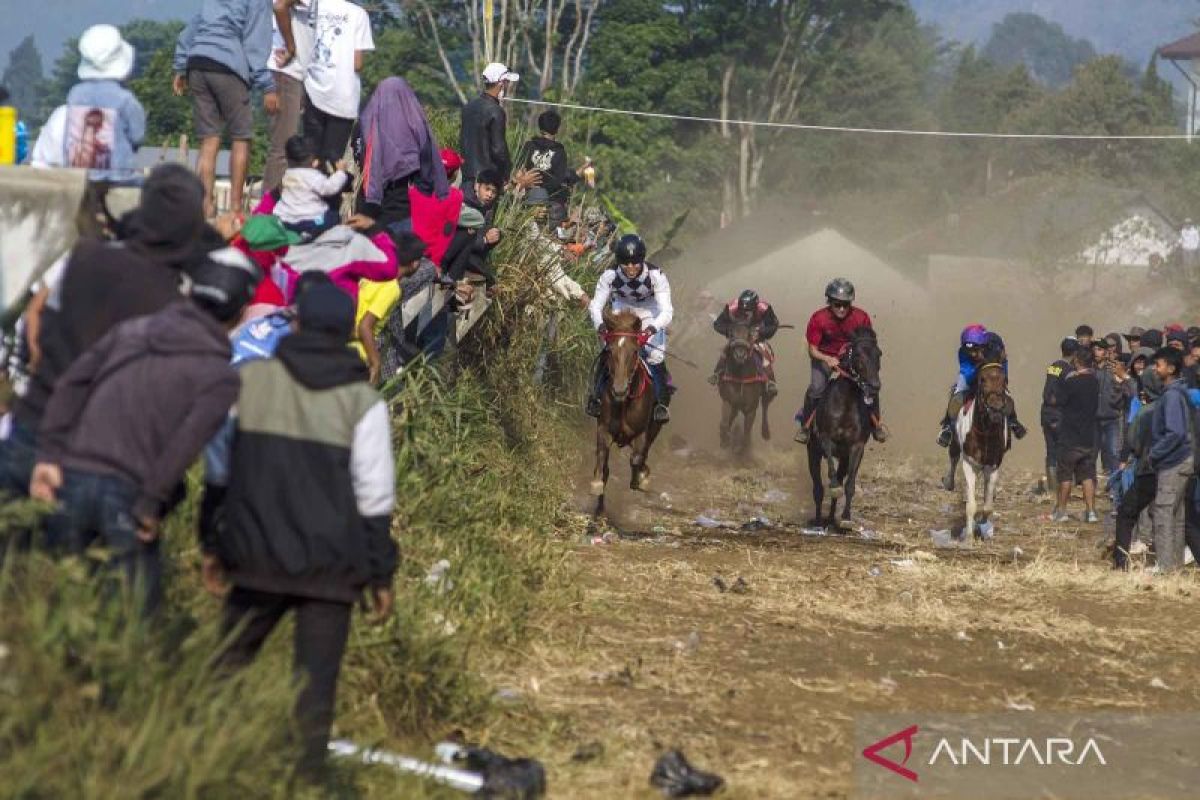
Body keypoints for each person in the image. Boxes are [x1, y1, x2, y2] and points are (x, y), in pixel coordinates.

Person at [200, 282, 397, 778]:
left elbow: (219, 470)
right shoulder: (363, 405)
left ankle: (210, 764)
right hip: (331, 570)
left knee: (224, 669)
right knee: (316, 689)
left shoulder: (251, 383)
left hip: (254, 557)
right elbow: (375, 499)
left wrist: (213, 543)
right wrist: (380, 575)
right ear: (349, 333)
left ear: (298, 324)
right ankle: (305, 780)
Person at [29, 248, 257, 615]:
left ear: (189, 291)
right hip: (128, 494)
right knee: (133, 616)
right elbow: (186, 444)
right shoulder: (219, 376)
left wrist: (49, 455)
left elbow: (72, 384)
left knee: (61, 603)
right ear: (239, 312)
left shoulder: (132, 330)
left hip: (69, 474)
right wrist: (151, 503)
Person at [0, 165, 214, 506]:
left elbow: (37, 327)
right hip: (95, 459)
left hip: (32, 424)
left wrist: (45, 374)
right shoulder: (170, 301)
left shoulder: (85, 257)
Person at [174, 0, 277, 217]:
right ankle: (236, 208)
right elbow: (255, 42)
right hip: (227, 65)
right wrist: (267, 84)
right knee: (241, 137)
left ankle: (205, 205)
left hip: (198, 62)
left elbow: (191, 29)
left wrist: (181, 66)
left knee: (209, 139)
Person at [29, 25, 145, 180]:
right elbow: (137, 136)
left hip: (75, 176)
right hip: (117, 177)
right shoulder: (125, 100)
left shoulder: (74, 96)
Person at [350, 77, 452, 247]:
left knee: (367, 255)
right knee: (397, 255)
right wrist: (425, 187)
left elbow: (357, 153)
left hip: (367, 198)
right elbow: (426, 159)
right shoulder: (413, 123)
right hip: (399, 203)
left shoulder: (364, 121)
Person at [586, 234, 674, 423]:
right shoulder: (609, 276)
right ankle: (596, 398)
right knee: (609, 351)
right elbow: (595, 306)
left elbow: (667, 311)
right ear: (619, 261)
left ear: (642, 259)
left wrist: (650, 330)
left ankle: (660, 404)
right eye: (625, 263)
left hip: (650, 314)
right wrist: (600, 326)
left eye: (635, 262)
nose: (631, 267)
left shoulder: (656, 275)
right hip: (621, 313)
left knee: (655, 355)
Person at [795, 278, 888, 444]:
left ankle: (876, 426)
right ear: (829, 301)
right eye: (837, 304)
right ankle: (805, 427)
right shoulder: (818, 318)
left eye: (846, 304)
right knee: (816, 388)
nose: (842, 308)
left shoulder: (861, 317)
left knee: (872, 385)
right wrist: (828, 359)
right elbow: (812, 350)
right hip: (824, 357)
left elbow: (867, 343)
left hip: (851, 358)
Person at [301, 0, 374, 165]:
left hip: (313, 89)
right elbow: (358, 64)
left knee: (311, 154)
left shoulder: (310, 7)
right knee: (333, 158)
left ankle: (308, 187)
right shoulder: (358, 14)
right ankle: (331, 188)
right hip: (343, 95)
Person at [354, 232, 427, 385]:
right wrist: (375, 363)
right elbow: (365, 326)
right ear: (414, 263)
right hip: (359, 353)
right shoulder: (392, 288)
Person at [935, 325, 1025, 448]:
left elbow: (1003, 362)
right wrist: (979, 365)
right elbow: (967, 373)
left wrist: (1004, 379)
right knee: (958, 392)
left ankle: (1013, 422)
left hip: (994, 368)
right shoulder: (963, 352)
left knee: (1005, 393)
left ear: (983, 345)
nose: (972, 354)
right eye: (969, 351)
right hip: (971, 370)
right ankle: (947, 428)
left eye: (975, 350)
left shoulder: (995, 345)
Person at [1148, 347, 1194, 571]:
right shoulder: (1178, 393)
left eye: (1159, 365)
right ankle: (1174, 566)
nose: (1156, 369)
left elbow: (1175, 432)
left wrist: (1154, 453)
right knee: (1176, 515)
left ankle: (1165, 567)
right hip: (1182, 460)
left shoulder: (1173, 396)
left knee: (1164, 513)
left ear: (1171, 368)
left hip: (1173, 461)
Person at [1113, 367, 1164, 569]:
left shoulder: (1145, 411)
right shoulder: (1177, 405)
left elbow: (1133, 442)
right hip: (1177, 469)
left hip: (1149, 471)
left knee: (1126, 512)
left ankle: (1120, 562)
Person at [263, 0, 315, 192]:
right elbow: (280, 5)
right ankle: (268, 211)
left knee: (296, 147)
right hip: (286, 71)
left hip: (301, 74)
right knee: (284, 147)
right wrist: (291, 47)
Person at [1052, 347, 1101, 524]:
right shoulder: (1094, 382)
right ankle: (1091, 512)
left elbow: (1058, 400)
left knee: (1065, 476)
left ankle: (1062, 511)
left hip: (1069, 437)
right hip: (1088, 437)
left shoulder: (1071, 382)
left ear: (1077, 362)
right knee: (1087, 475)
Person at [274, 136, 350, 241]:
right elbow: (329, 188)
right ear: (313, 160)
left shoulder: (287, 174)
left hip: (285, 218)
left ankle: (291, 232)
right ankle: (308, 234)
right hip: (309, 220)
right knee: (333, 217)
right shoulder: (313, 176)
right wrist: (341, 172)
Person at [708, 289, 780, 397]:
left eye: (749, 310)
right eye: (743, 310)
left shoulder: (765, 308)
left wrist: (761, 332)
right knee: (726, 348)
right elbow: (718, 324)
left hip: (756, 333)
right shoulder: (731, 307)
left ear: (756, 306)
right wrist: (729, 331)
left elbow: (773, 325)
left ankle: (771, 381)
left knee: (763, 350)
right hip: (738, 333)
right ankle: (717, 373)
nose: (746, 313)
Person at [460, 63, 518, 184]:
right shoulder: (496, 111)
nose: (508, 85)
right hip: (487, 179)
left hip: (466, 175)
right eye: (507, 81)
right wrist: (507, 173)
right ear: (501, 83)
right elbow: (499, 150)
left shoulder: (468, 106)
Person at [1040, 337, 1078, 494]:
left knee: (1051, 450)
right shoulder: (1070, 371)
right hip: (1061, 414)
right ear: (1075, 353)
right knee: (1066, 449)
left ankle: (1052, 486)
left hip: (1046, 413)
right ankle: (1065, 484)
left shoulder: (1052, 367)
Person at [519, 110, 578, 209]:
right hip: (548, 202)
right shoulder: (559, 152)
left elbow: (518, 170)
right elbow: (559, 179)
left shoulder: (528, 146)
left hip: (526, 197)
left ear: (540, 127)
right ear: (557, 130)